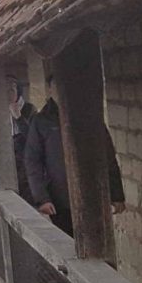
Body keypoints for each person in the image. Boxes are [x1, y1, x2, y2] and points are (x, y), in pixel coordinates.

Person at [23, 77, 125, 237]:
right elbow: (32, 161)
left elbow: (108, 156)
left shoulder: (90, 116)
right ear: (50, 90)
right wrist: (42, 198)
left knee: (98, 239)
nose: (61, 92)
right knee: (67, 242)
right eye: (56, 87)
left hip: (93, 193)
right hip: (60, 199)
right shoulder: (41, 122)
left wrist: (116, 194)